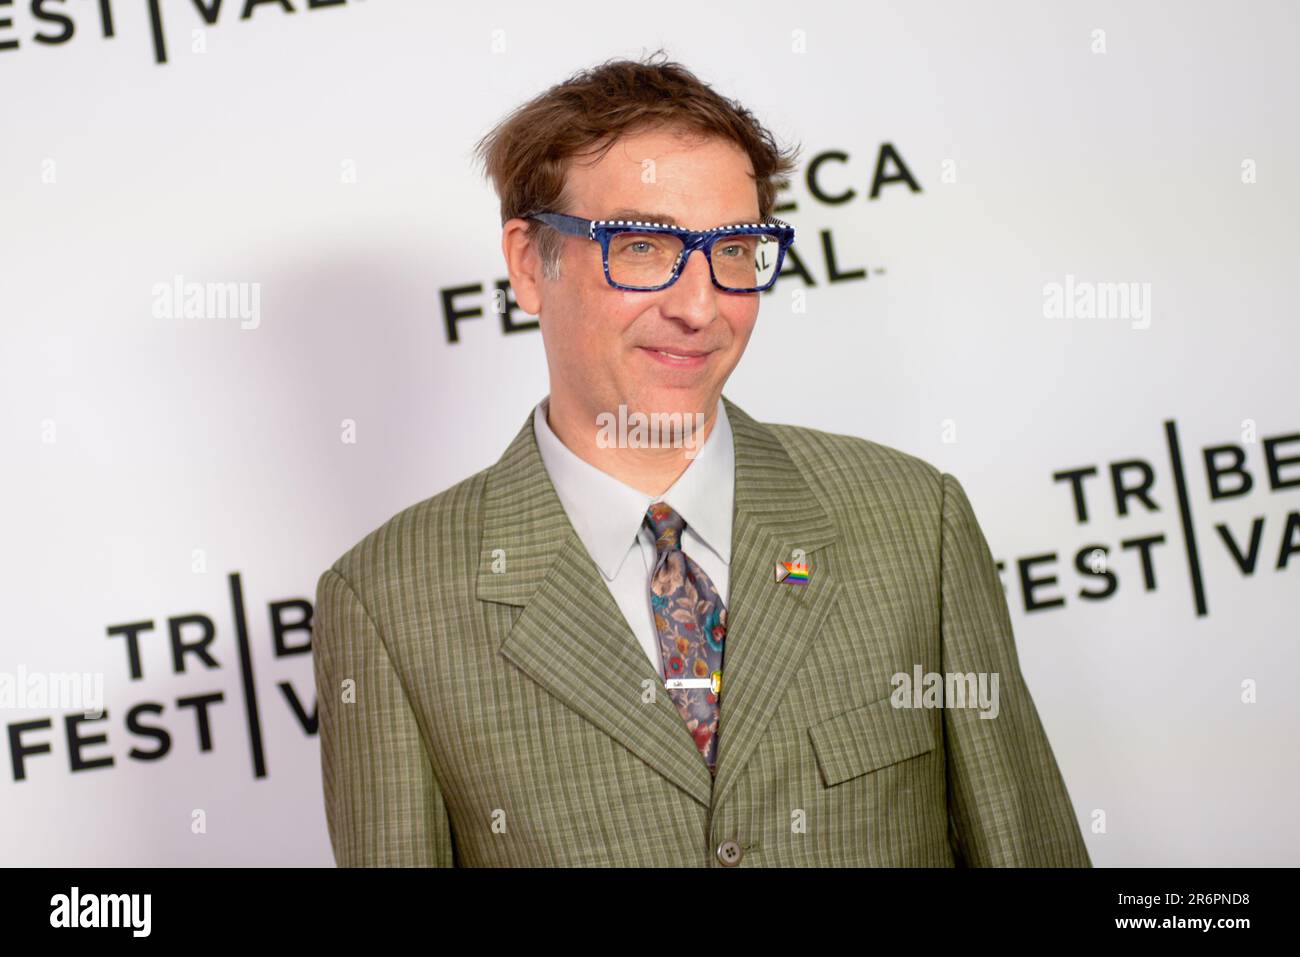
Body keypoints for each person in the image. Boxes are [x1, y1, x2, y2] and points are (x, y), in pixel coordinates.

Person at [311, 51, 1091, 867]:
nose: (697, 306)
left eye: (733, 250)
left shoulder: (912, 522)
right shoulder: (388, 604)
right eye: (643, 246)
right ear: (527, 263)